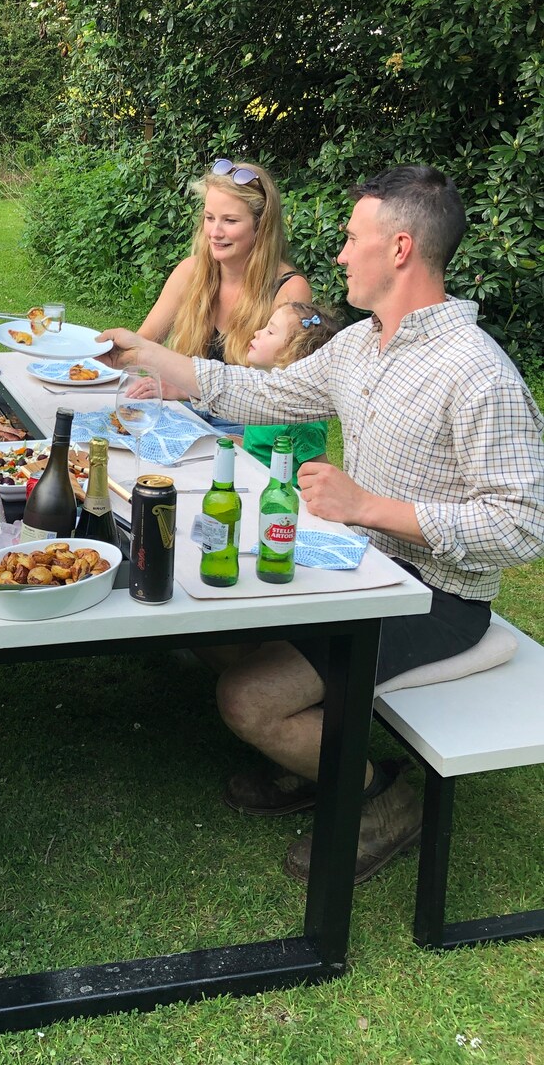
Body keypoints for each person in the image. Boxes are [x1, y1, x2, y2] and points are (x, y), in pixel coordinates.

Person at [100, 164, 544, 883]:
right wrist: (150, 355)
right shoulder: (366, 343)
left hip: (437, 597)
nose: (338, 254)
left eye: (350, 237)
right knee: (214, 625)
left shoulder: (477, 373)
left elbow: (524, 524)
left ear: (398, 248)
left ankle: (381, 794)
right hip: (357, 564)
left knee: (248, 698)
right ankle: (318, 764)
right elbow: (266, 392)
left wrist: (369, 507)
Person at [138, 158, 311, 434]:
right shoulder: (190, 272)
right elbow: (143, 341)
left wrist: (187, 390)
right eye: (209, 218)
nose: (215, 233)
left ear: (261, 226)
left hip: (246, 430)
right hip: (183, 415)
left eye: (229, 220)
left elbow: (280, 393)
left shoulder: (289, 289)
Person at [242, 301, 340, 484]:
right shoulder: (262, 390)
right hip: (252, 484)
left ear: (292, 355)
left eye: (270, 331)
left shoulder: (300, 417)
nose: (257, 332)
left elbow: (321, 473)